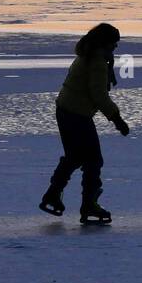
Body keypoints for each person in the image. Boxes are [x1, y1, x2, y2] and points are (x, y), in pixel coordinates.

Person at [40, 23, 129, 224]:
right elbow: (99, 95)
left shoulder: (86, 54)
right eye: (114, 43)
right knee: (93, 160)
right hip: (77, 115)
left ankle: (53, 194)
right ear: (104, 42)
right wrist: (117, 119)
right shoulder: (96, 61)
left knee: (75, 157)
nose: (115, 47)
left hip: (65, 110)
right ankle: (89, 204)